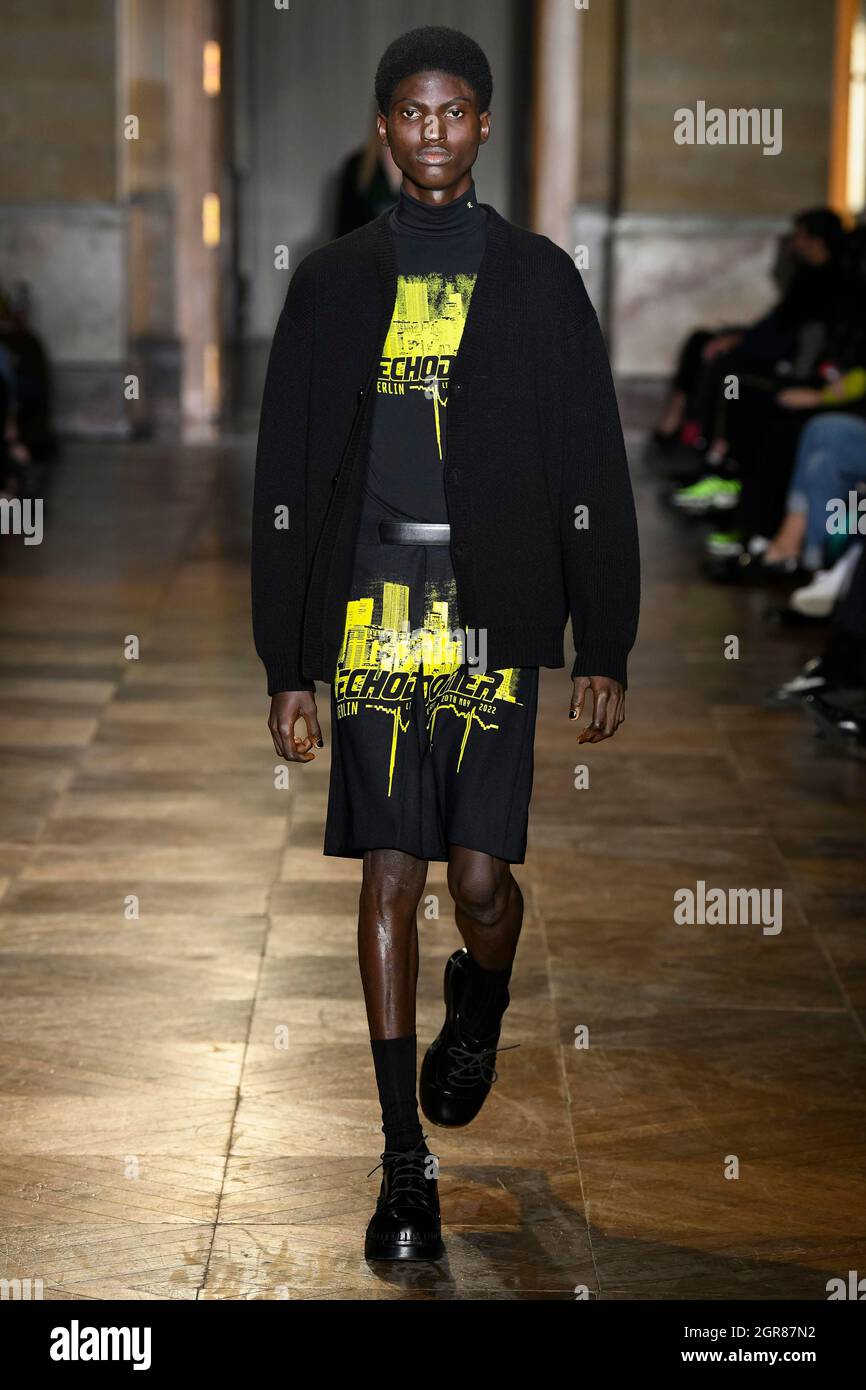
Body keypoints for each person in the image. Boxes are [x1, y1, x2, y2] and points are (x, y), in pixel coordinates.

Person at [251, 25, 640, 1263]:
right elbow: (287, 475)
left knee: (475, 879)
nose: (432, 131)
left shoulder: (536, 279)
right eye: (411, 113)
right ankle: (401, 1160)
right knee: (389, 872)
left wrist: (604, 639)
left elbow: (589, 464)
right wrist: (287, 660)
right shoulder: (333, 282)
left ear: (480, 124)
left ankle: (480, 996)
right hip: (374, 605)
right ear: (383, 129)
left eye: (453, 110)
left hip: (488, 607)